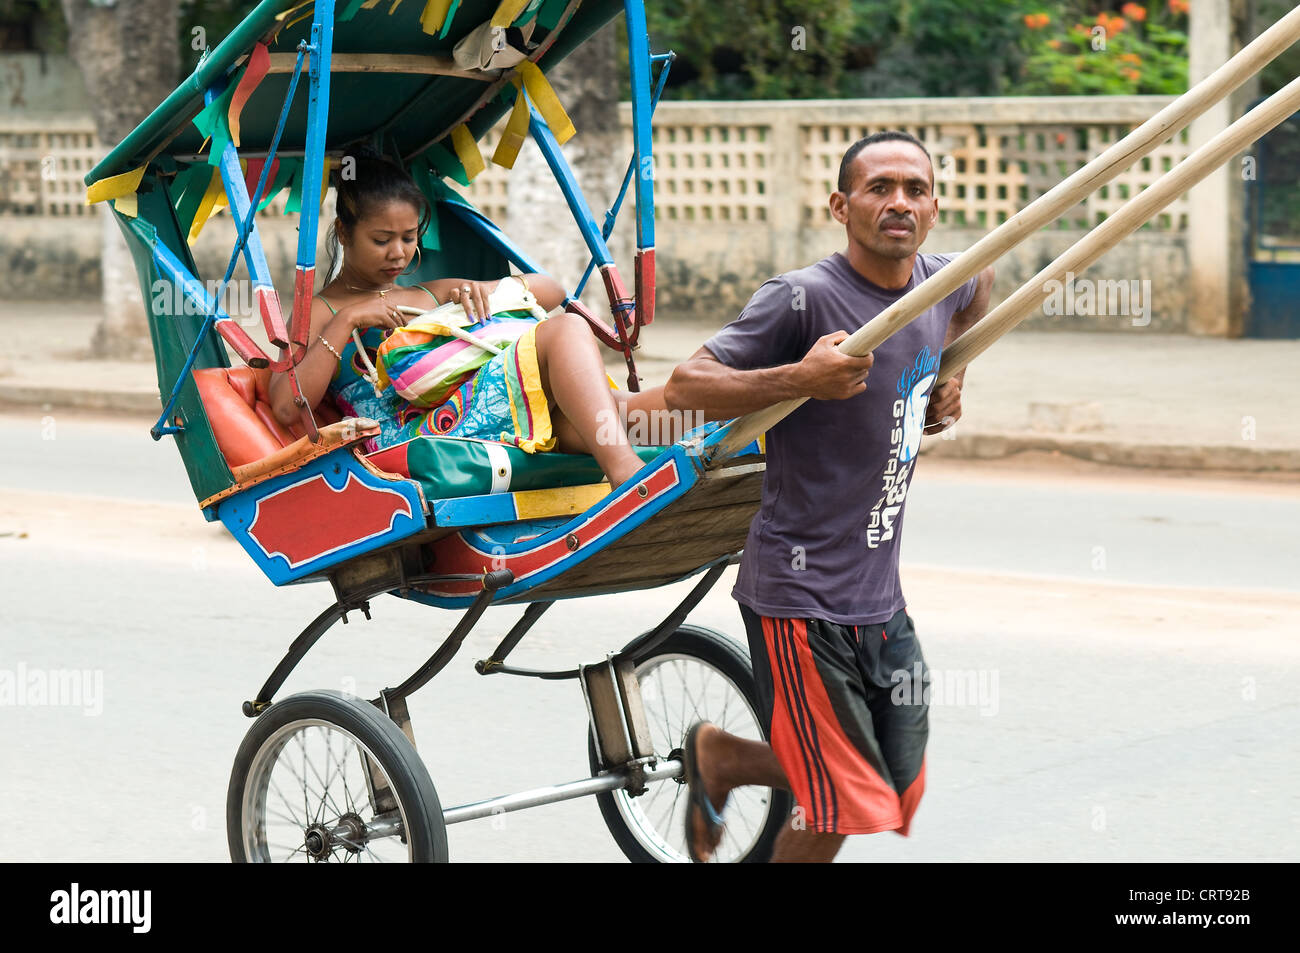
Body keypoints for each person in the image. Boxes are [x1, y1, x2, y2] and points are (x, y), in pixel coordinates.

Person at [663, 130, 995, 862]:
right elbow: (686, 387)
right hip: (798, 594)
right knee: (842, 801)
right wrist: (798, 379)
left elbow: (983, 284)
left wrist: (952, 371)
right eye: (880, 188)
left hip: (879, 595)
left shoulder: (943, 283)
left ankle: (722, 758)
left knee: (897, 782)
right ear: (842, 205)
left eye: (915, 188)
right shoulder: (803, 299)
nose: (899, 202)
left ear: (935, 206)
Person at [268, 151, 667, 488]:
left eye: (409, 238)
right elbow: (287, 408)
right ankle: (629, 476)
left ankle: (700, 426)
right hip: (410, 436)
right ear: (344, 232)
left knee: (601, 412)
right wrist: (346, 322)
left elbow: (553, 290)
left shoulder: (427, 293)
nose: (398, 254)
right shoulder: (320, 310)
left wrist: (485, 291)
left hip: (481, 409)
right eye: (381, 240)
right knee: (565, 329)